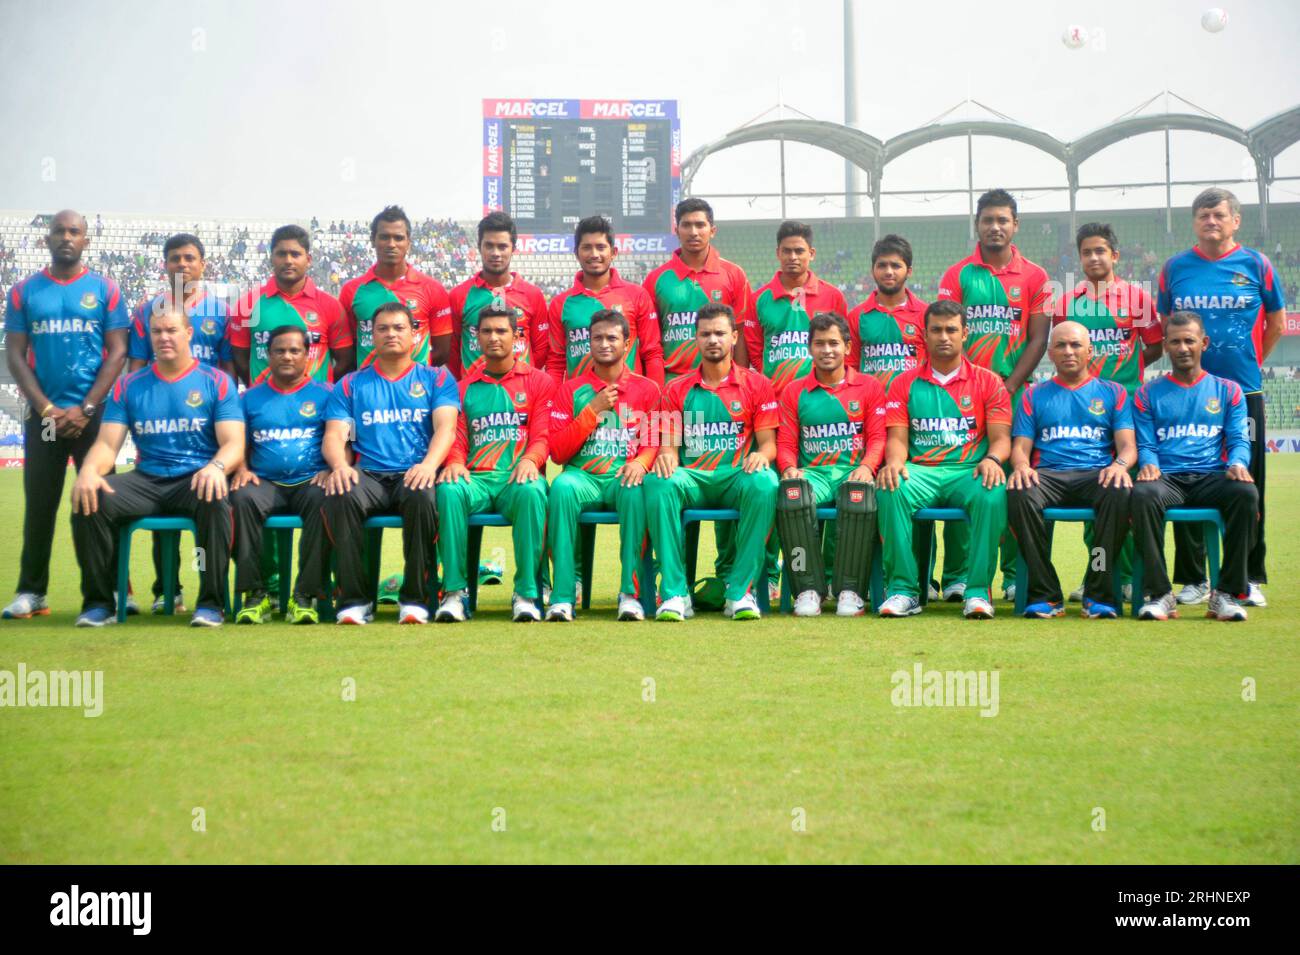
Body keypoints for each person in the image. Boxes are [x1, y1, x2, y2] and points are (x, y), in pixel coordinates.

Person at [68, 306, 244, 627]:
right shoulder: (129, 385)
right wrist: (89, 471)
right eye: (157, 331)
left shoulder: (216, 381)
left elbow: (234, 443)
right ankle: (99, 602)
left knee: (215, 497)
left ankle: (211, 603)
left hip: (195, 478)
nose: (164, 337)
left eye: (171, 330)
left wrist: (217, 467)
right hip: (146, 480)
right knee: (90, 499)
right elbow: (106, 445)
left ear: (188, 334)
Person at [1156, 188, 1286, 608]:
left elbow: (1277, 322)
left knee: (1247, 482)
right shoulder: (1175, 268)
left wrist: (1248, 363)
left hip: (1243, 392)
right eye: (1203, 215)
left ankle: (1246, 575)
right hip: (1185, 392)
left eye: (1218, 214)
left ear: (1235, 220)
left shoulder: (1257, 264)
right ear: (1194, 222)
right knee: (1182, 474)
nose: (1210, 221)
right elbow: (1168, 324)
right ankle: (1193, 578)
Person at [3, 210, 130, 620]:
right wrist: (47, 409)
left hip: (94, 415)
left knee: (99, 502)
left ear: (86, 241)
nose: (66, 237)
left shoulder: (105, 289)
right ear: (47, 239)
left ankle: (116, 588)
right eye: (59, 231)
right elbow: (15, 356)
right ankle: (32, 591)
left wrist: (87, 406)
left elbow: (118, 352)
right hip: (44, 417)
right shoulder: (24, 292)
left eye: (74, 231)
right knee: (40, 503)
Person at [937, 189, 1051, 602]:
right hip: (963, 395)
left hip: (1013, 392)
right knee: (962, 474)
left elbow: (1039, 338)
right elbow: (947, 333)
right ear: (977, 225)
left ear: (1015, 225)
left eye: (1003, 220)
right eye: (988, 220)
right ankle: (956, 575)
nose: (995, 227)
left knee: (1015, 482)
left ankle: (1014, 574)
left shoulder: (1036, 276)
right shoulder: (957, 275)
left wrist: (1009, 386)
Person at [321, 303, 460, 625]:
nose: (391, 334)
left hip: (414, 471)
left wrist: (429, 465)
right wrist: (340, 466)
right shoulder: (352, 384)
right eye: (382, 329)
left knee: (423, 498)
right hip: (369, 474)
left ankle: (415, 599)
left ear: (415, 335)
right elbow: (336, 434)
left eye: (399, 328)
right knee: (341, 493)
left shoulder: (436, 378)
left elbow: (446, 428)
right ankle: (355, 600)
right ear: (371, 336)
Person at [847, 233, 967, 603]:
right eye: (882, 265)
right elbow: (851, 370)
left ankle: (939, 578)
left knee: (920, 494)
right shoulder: (858, 316)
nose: (889, 271)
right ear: (872, 270)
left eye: (895, 265)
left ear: (908, 271)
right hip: (869, 420)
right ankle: (888, 578)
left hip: (915, 418)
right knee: (881, 498)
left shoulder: (927, 315)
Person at [875, 300, 1012, 619]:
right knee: (890, 486)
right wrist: (894, 462)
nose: (944, 336)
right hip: (920, 472)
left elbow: (1001, 438)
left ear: (965, 333)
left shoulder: (988, 381)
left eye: (951, 329)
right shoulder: (903, 382)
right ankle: (904, 590)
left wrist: (993, 459)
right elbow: (897, 439)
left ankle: (977, 592)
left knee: (992, 490)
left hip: (968, 472)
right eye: (936, 330)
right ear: (924, 335)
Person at [644, 304, 779, 622]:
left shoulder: (757, 384)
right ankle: (675, 593)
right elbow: (668, 448)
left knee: (766, 482)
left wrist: (762, 455)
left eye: (720, 333)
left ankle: (740, 592)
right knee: (658, 481)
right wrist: (666, 458)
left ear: (734, 337)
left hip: (735, 476)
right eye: (705, 334)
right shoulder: (675, 388)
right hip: (694, 479)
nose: (713, 340)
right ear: (695, 338)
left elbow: (769, 444)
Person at [1052, 222, 1162, 605]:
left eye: (1100, 251)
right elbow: (1062, 351)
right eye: (1087, 252)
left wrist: (1126, 371)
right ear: (1079, 258)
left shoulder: (1137, 298)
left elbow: (1153, 345)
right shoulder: (1067, 303)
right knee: (1095, 500)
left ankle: (1128, 577)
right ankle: (1097, 574)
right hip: (1082, 412)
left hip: (1127, 409)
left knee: (1125, 497)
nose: (1094, 257)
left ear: (1114, 255)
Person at [128, 231, 236, 614]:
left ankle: (211, 591)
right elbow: (136, 367)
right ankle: (167, 589)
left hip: (207, 422)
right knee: (162, 507)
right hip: (162, 420)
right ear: (165, 265)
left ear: (203, 264)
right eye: (175, 258)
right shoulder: (148, 310)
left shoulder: (221, 312)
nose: (182, 264)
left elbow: (228, 368)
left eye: (190, 258)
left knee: (209, 502)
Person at [1131, 311, 1258, 622]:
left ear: (1204, 343)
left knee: (1246, 494)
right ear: (1165, 345)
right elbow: (1146, 444)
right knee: (1142, 495)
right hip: (1168, 479)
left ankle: (1226, 593)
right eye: (1175, 342)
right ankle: (1160, 594)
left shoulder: (1229, 390)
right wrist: (1149, 465)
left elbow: (1239, 439)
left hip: (1211, 476)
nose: (1183, 348)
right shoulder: (1147, 393)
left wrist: (1238, 463)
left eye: (1189, 340)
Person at [1007, 321, 1136, 619]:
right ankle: (1046, 594)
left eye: (1076, 345)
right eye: (1061, 346)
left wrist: (1119, 466)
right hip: (1049, 476)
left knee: (1120, 489)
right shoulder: (1034, 395)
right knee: (1019, 492)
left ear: (1090, 351)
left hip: (1096, 474)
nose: (1068, 351)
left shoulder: (1113, 392)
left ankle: (1098, 591)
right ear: (1050, 353)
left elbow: (1128, 446)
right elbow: (1020, 447)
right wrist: (1021, 466)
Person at [434, 305, 555, 623]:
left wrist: (530, 459)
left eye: (502, 331)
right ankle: (455, 593)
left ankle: (526, 594)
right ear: (476, 338)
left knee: (532, 491)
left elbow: (543, 435)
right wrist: (455, 461)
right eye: (486, 331)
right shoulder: (464, 388)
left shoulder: (539, 381)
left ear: (517, 337)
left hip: (515, 478)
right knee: (448, 490)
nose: (493, 337)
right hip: (476, 480)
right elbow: (457, 436)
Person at [546, 308, 660, 622]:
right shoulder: (570, 390)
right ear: (588, 343)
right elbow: (557, 452)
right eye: (597, 338)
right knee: (561, 487)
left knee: (636, 490)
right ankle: (563, 596)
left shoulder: (647, 389)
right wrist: (592, 411)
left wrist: (641, 462)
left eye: (612, 337)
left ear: (627, 344)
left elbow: (655, 439)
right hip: (582, 478)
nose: (604, 344)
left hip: (622, 477)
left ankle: (630, 595)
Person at [776, 312, 886, 617]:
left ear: (847, 346)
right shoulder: (794, 391)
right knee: (792, 495)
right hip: (814, 475)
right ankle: (806, 587)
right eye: (820, 343)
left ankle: (851, 590)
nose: (827, 350)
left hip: (852, 471)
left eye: (834, 343)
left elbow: (878, 438)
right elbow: (786, 444)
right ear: (809, 348)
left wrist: (867, 467)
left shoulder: (869, 386)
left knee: (858, 494)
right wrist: (789, 468)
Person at [229, 325, 333, 625]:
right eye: (280, 351)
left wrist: (331, 469)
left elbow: (347, 438)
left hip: (312, 480)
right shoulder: (248, 398)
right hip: (264, 482)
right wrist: (242, 469)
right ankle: (257, 595)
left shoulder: (328, 394)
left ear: (307, 355)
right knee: (240, 498)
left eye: (294, 350)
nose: (287, 356)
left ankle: (304, 596)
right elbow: (236, 441)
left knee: (328, 499)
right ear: (267, 355)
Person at [229, 224, 354, 387]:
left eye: (295, 254)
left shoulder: (330, 305)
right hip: (264, 401)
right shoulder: (247, 304)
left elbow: (345, 361)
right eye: (281, 254)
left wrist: (323, 389)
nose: (288, 261)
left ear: (308, 260)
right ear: (271, 258)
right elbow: (240, 359)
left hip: (316, 402)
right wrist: (260, 390)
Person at [546, 215, 664, 388]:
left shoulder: (636, 295)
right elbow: (556, 362)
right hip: (581, 399)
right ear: (576, 253)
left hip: (630, 399)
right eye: (587, 247)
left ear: (613, 252)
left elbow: (652, 353)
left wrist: (656, 395)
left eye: (601, 247)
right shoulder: (560, 303)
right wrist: (555, 401)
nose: (594, 254)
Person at [642, 198, 751, 379]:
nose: (693, 232)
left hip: (722, 384)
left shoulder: (734, 274)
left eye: (700, 225)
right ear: (677, 231)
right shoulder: (656, 279)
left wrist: (739, 382)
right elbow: (651, 342)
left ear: (712, 231)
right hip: (673, 383)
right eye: (686, 225)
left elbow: (741, 334)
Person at [740, 220, 848, 395]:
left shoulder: (833, 296)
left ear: (811, 254)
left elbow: (842, 348)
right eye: (787, 251)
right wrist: (772, 381)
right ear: (778, 253)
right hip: (775, 398)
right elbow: (755, 349)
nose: (792, 257)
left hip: (821, 395)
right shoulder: (758, 299)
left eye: (799, 251)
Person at [338, 205, 453, 370]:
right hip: (369, 384)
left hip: (416, 385)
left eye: (398, 238)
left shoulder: (432, 289)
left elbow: (442, 352)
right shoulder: (351, 291)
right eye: (384, 237)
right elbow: (349, 352)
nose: (391, 244)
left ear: (408, 242)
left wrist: (407, 374)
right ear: (373, 240)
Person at [448, 211, 549, 378]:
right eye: (489, 246)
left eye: (502, 247)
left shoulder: (533, 295)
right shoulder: (459, 295)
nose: (496, 253)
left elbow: (540, 351)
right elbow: (452, 353)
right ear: (479, 246)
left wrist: (519, 381)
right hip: (474, 391)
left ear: (513, 248)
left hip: (521, 391)